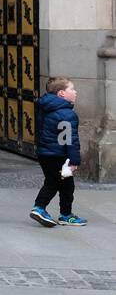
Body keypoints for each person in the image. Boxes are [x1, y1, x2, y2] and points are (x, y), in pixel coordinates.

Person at [31, 77, 87, 227]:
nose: (75, 92)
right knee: (58, 184)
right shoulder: (66, 114)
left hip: (45, 152)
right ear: (62, 93)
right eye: (72, 89)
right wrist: (73, 160)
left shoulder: (46, 107)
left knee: (58, 183)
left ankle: (63, 214)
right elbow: (69, 140)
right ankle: (43, 209)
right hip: (58, 155)